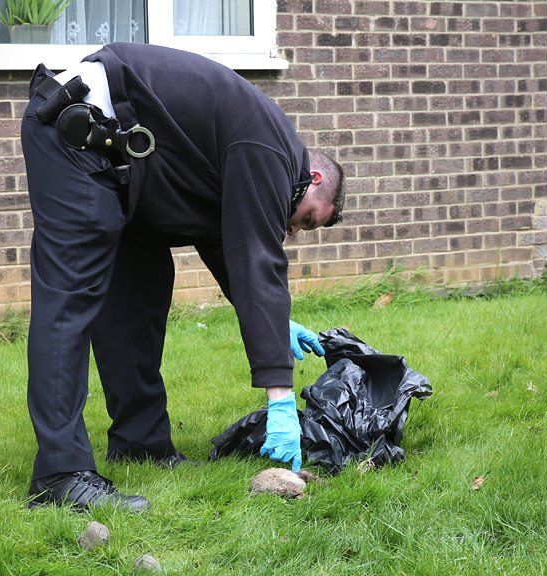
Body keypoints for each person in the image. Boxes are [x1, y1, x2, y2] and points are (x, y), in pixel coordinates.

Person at [21, 43, 347, 512]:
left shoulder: (255, 156)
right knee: (69, 300)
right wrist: (280, 398)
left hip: (123, 169)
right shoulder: (271, 150)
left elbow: (228, 245)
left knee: (142, 288)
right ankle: (59, 474)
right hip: (77, 132)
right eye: (308, 220)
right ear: (313, 178)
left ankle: (141, 443)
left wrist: (276, 328)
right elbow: (258, 259)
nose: (294, 231)